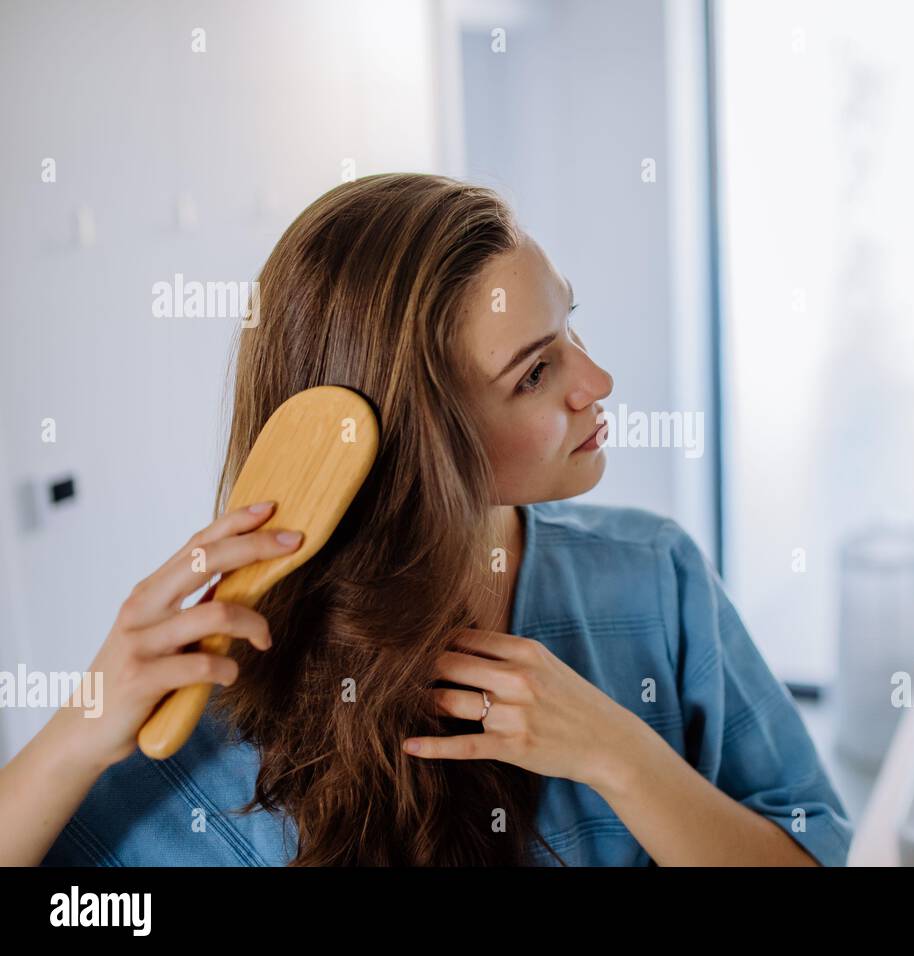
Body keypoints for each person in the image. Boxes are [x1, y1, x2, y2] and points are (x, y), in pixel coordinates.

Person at [4, 173, 853, 866]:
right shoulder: (228, 693)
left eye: (571, 325)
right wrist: (73, 735)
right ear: (422, 446)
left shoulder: (655, 576)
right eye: (533, 372)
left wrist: (620, 759)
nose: (597, 382)